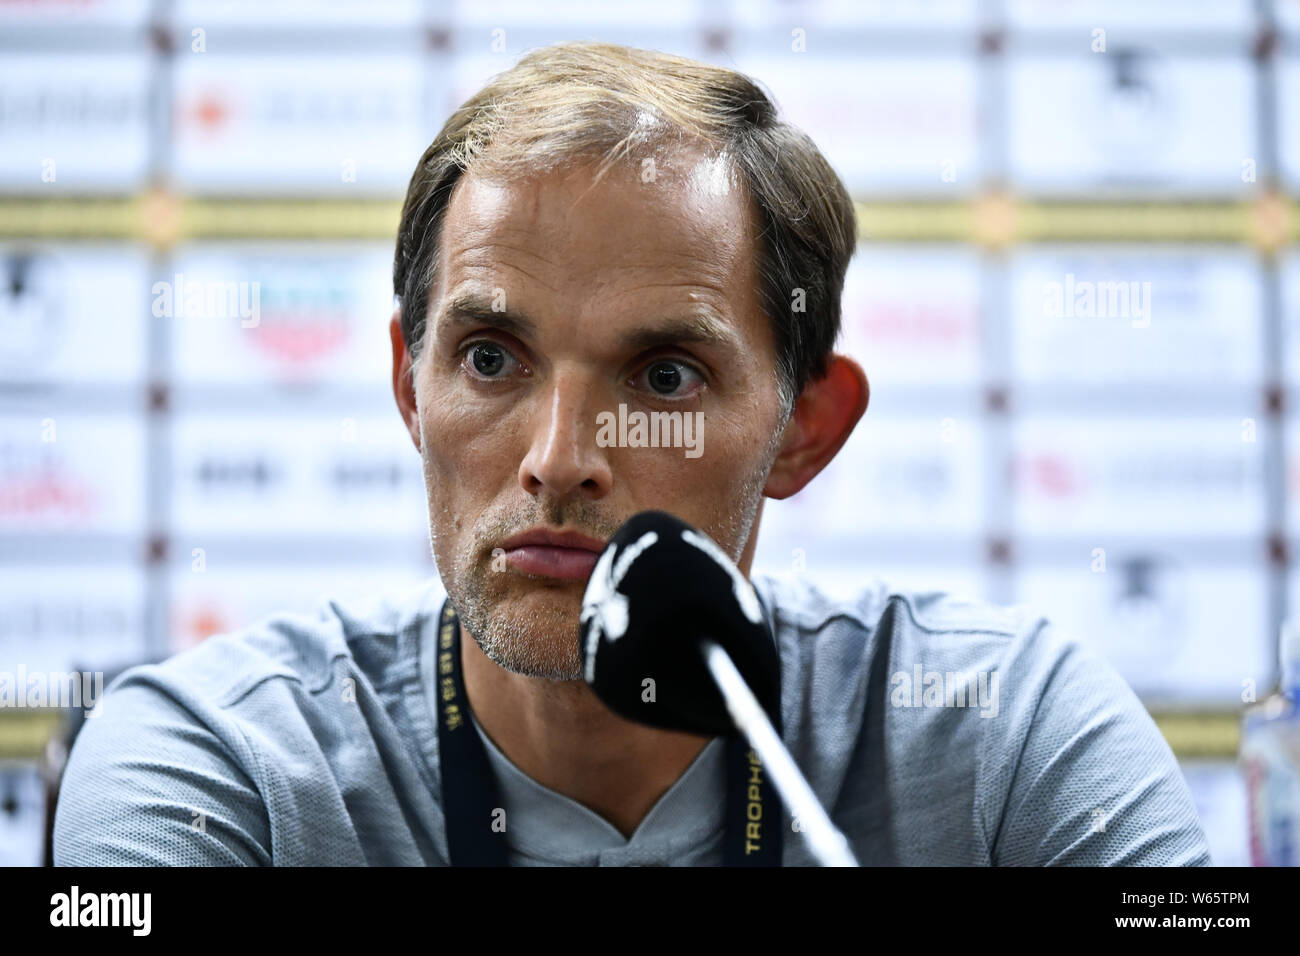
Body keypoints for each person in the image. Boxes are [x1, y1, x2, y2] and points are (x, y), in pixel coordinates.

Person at [53, 42, 1211, 866]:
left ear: (805, 425)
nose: (560, 460)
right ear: (410, 385)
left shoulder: (1006, 725)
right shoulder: (213, 763)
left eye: (663, 376)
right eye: (494, 359)